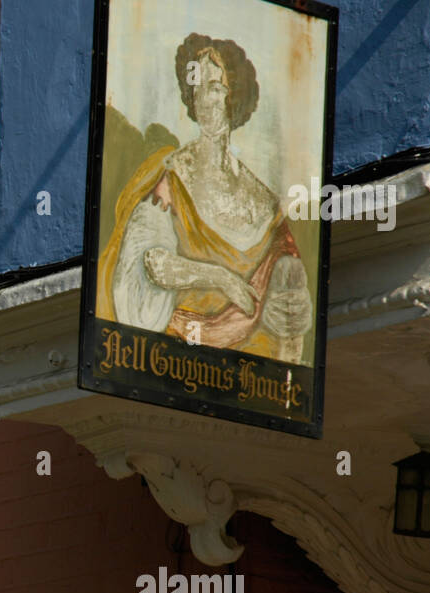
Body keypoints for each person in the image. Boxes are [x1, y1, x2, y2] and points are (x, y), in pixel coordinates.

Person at [96, 33, 313, 364]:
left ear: (234, 96)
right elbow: (151, 263)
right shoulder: (171, 175)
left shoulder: (263, 201)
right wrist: (221, 278)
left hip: (249, 371)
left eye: (215, 87)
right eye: (197, 87)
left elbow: (290, 310)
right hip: (174, 360)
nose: (205, 99)